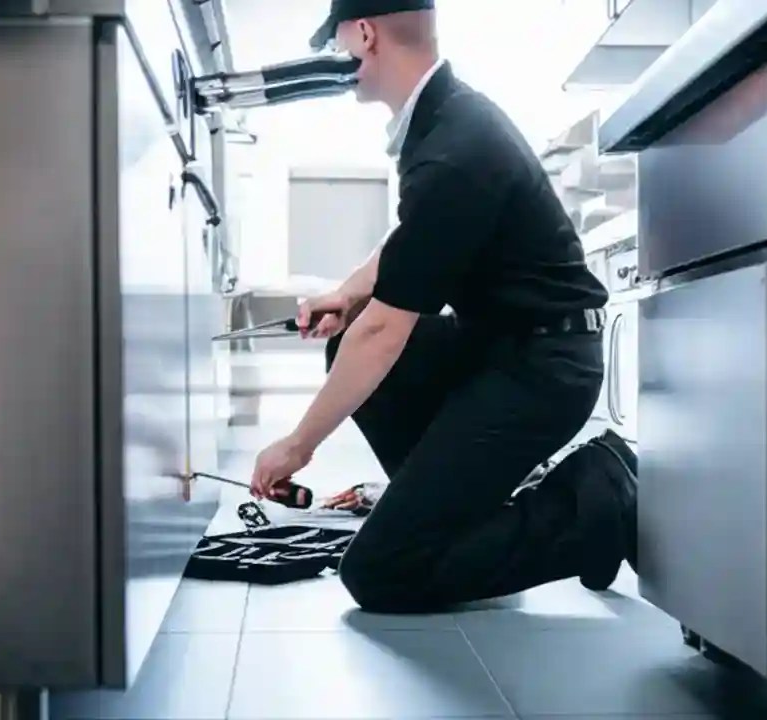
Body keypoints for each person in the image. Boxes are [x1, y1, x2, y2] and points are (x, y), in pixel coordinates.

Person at [250, 0, 637, 613]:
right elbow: (412, 240)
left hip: (543, 367)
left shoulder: (454, 148)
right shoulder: (443, 121)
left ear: (366, 35)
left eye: (339, 41)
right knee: (344, 340)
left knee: (382, 571)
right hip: (503, 345)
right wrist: (347, 293)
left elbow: (382, 332)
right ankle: (446, 513)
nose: (336, 56)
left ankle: (594, 499)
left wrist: (296, 446)